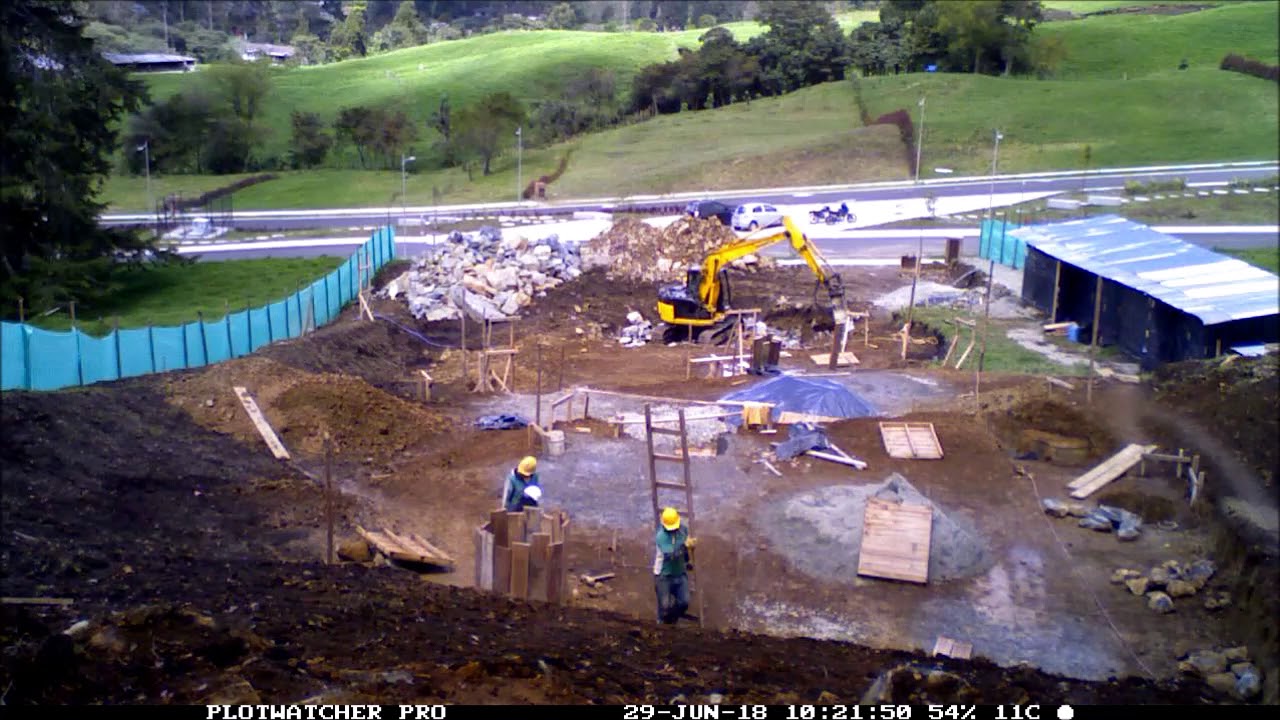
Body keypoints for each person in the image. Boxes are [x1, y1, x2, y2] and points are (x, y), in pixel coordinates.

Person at [652, 507, 697, 624]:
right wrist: (684, 546)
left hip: (679, 572)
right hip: (664, 575)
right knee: (664, 605)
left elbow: (684, 551)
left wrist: (688, 561)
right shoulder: (661, 536)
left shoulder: (683, 530)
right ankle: (662, 624)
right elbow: (671, 556)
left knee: (684, 602)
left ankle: (672, 621)